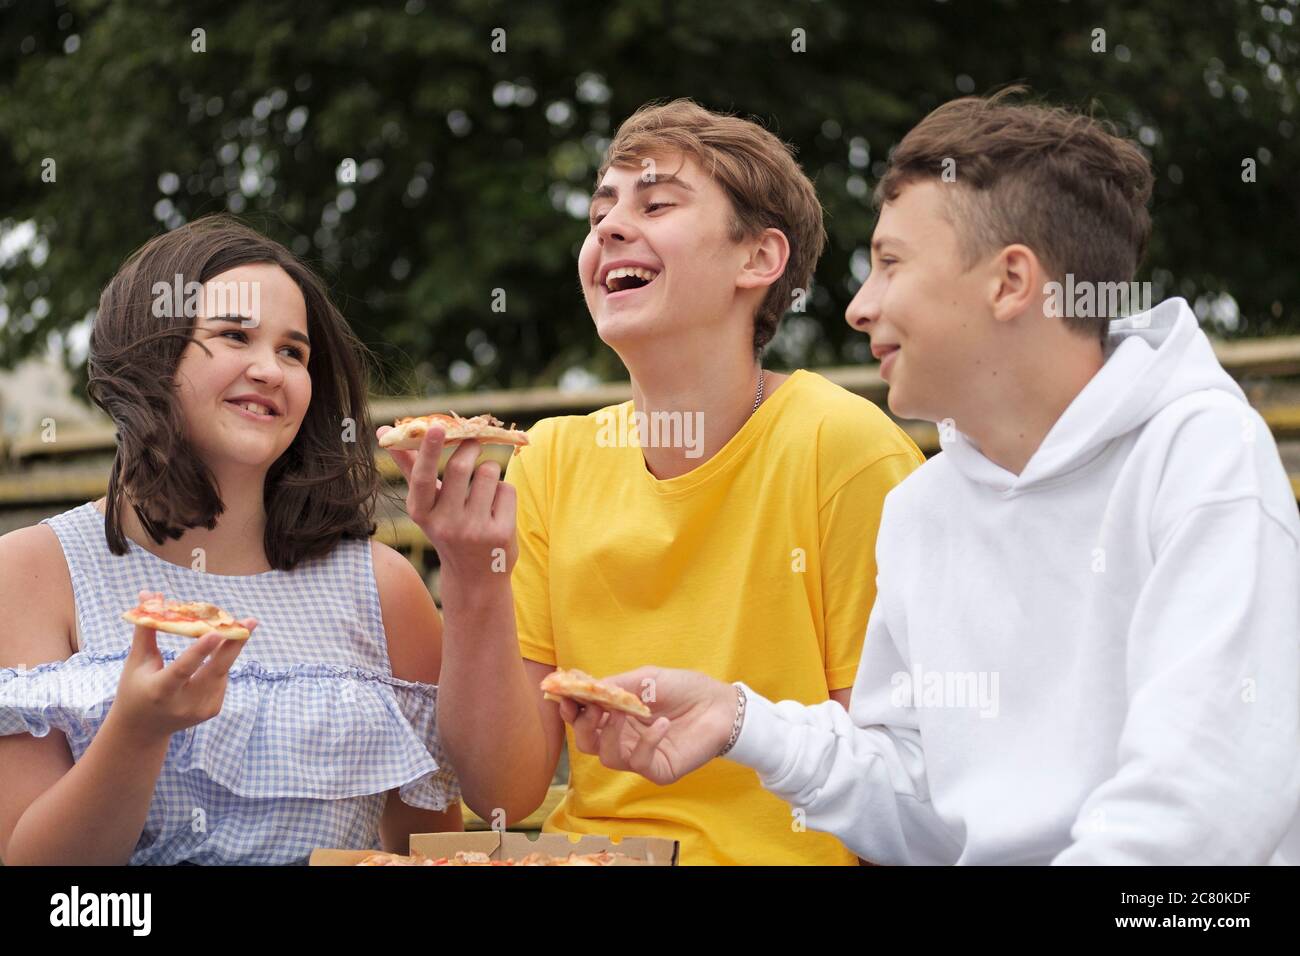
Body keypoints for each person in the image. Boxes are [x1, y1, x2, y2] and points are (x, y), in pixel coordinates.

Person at [556, 92, 1300, 865]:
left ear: (1010, 282)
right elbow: (923, 803)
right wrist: (741, 720)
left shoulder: (1203, 460)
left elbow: (1202, 813)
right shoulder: (923, 507)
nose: (860, 307)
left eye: (890, 265)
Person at [382, 99, 924, 865]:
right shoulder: (551, 459)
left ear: (759, 260)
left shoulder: (847, 451)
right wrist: (472, 572)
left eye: (657, 202)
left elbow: (895, 786)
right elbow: (504, 794)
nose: (608, 227)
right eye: (599, 210)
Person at [0, 215, 461, 865]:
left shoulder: (384, 589)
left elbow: (432, 850)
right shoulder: (29, 572)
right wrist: (137, 732)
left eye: (294, 352)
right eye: (235, 335)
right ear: (151, 354)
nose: (270, 370)